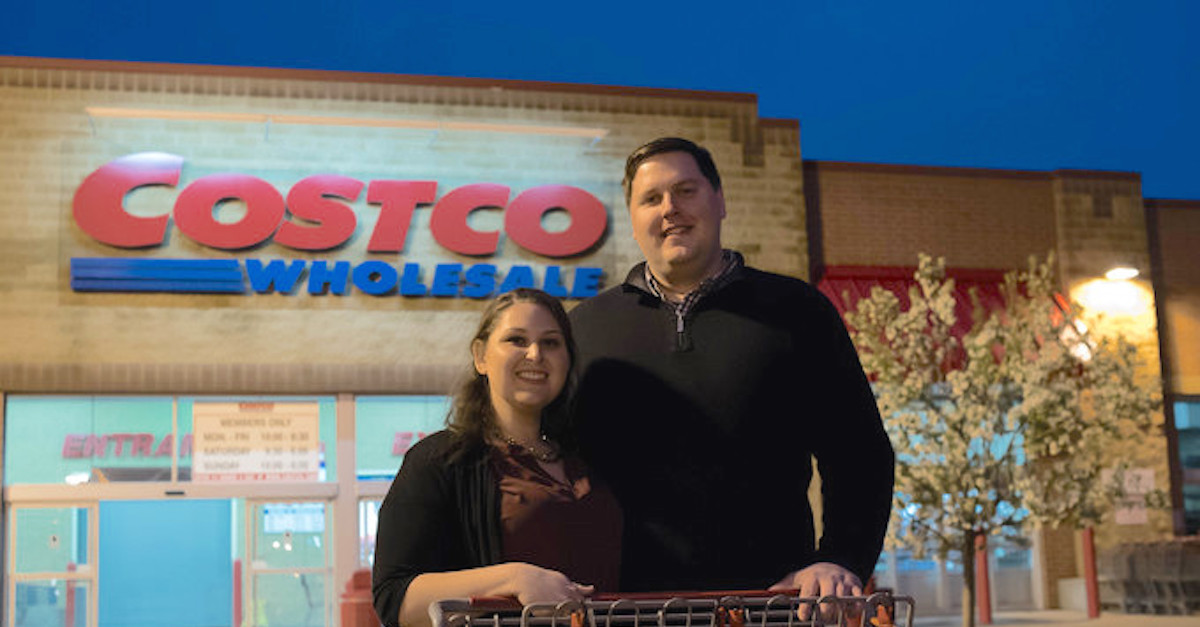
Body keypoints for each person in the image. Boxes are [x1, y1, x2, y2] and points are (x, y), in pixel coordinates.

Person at [570, 137, 894, 599]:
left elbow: (858, 451)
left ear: (720, 201)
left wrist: (841, 558)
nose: (670, 209)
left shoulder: (797, 312)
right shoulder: (586, 329)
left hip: (769, 603)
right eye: (651, 198)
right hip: (626, 608)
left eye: (686, 191)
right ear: (633, 218)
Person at [373, 288, 622, 627]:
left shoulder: (590, 458)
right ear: (481, 356)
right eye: (516, 340)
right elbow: (394, 598)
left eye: (551, 343)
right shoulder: (438, 461)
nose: (535, 354)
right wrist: (514, 579)